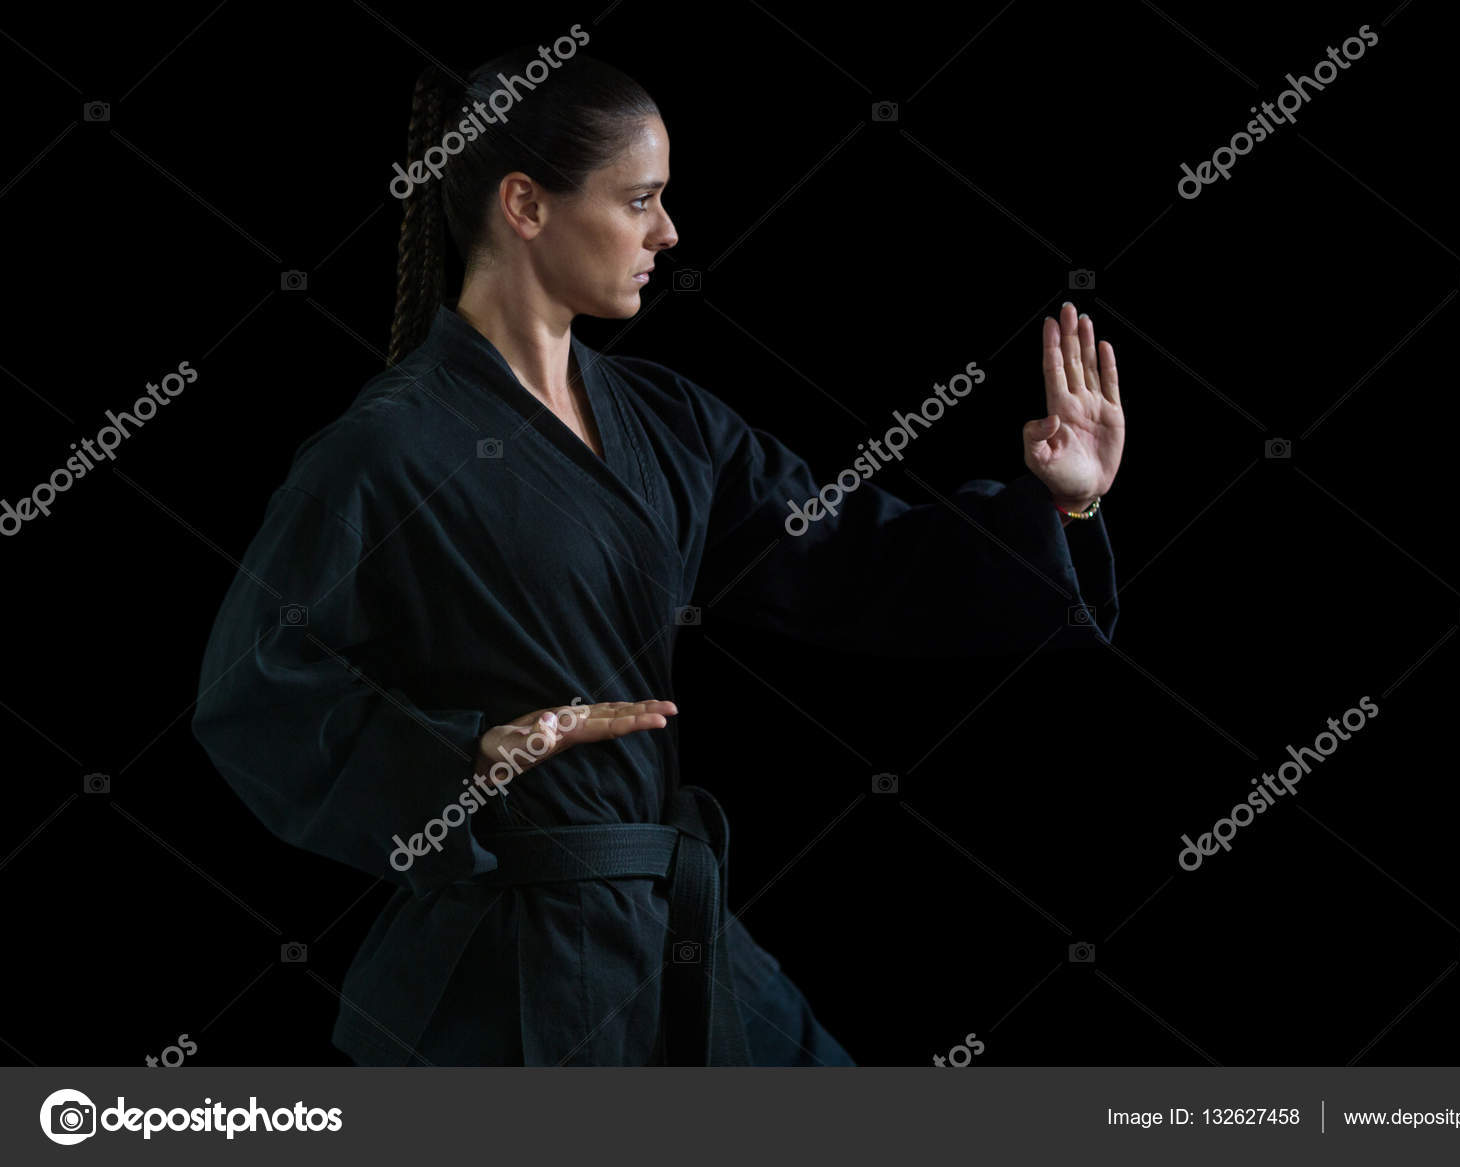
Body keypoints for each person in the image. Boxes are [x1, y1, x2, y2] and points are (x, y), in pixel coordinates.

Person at [190, 44, 1126, 1067]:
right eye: (638, 201)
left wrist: (1056, 509)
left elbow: (845, 558)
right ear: (526, 205)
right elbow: (255, 690)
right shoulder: (385, 448)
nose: (668, 234)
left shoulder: (662, 418)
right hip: (516, 959)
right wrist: (464, 757)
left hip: (667, 919)